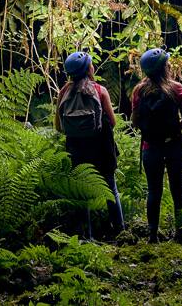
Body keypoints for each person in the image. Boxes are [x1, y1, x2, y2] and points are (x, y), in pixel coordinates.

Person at [55, 51, 125, 237]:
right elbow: (112, 121)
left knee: (82, 192)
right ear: (88, 69)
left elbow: (58, 126)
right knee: (111, 189)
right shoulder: (100, 90)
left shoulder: (63, 92)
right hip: (101, 148)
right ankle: (120, 231)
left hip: (76, 149)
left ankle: (86, 237)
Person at [130, 48, 182, 242]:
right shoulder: (177, 89)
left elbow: (135, 121)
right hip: (174, 145)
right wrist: (173, 131)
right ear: (165, 67)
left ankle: (153, 235)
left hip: (150, 147)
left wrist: (151, 134)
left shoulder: (139, 91)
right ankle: (181, 233)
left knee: (154, 191)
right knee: (178, 190)